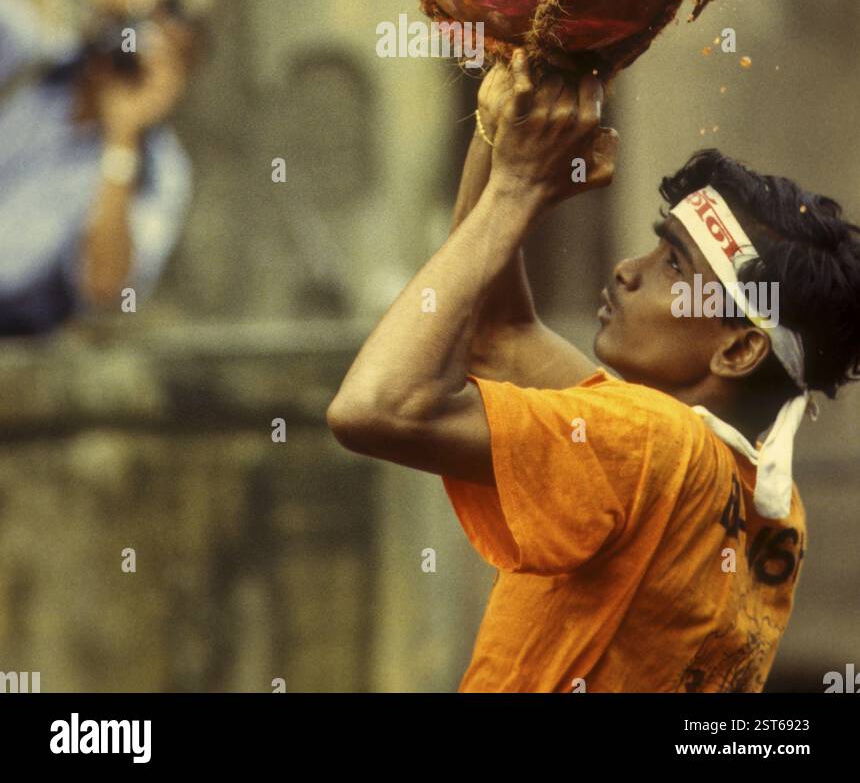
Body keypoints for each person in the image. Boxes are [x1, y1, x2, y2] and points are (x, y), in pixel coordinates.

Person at [328, 49, 860, 693]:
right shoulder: (767, 503)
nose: (627, 270)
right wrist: (501, 132)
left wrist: (518, 189)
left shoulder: (652, 442)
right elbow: (496, 333)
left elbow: (375, 407)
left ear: (739, 350)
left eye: (673, 266)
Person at [0, 0, 215, 336]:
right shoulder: (25, 59)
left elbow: (103, 288)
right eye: (130, 24)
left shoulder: (157, 172)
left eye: (159, 42)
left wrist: (122, 135)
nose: (129, 45)